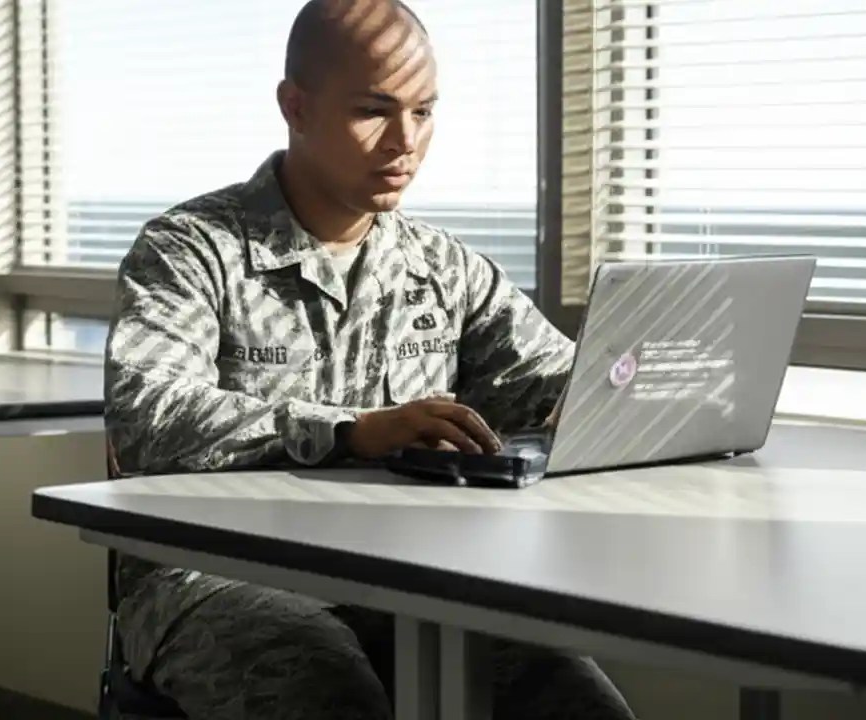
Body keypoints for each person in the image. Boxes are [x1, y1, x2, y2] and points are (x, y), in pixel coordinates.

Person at [103, 0, 637, 717]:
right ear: (295, 106)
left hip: (408, 575)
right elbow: (149, 420)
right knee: (326, 693)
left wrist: (639, 393)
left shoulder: (444, 269)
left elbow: (552, 384)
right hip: (212, 577)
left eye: (423, 112)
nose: (405, 142)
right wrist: (351, 429)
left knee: (576, 704)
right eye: (374, 112)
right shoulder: (191, 250)